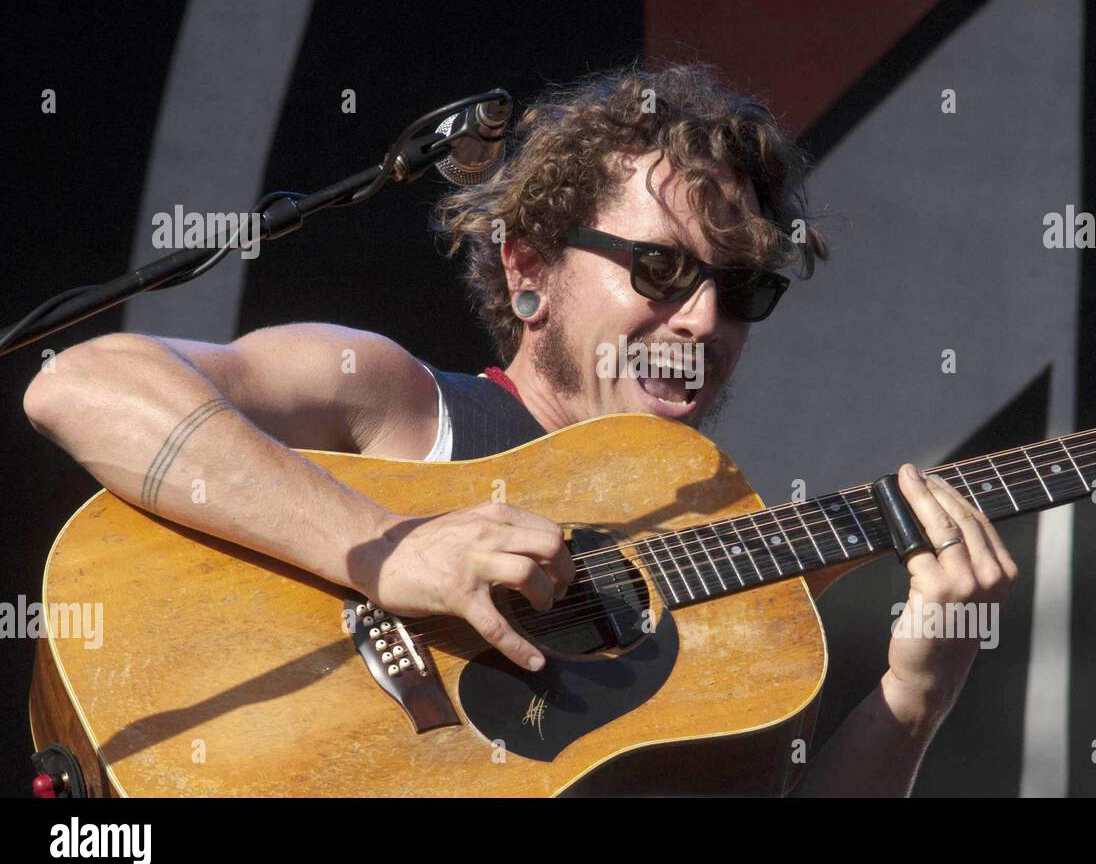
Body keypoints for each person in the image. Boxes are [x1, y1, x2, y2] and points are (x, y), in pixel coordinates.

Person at [23, 62, 1017, 796]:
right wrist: (389, 549)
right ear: (527, 266)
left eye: (740, 289)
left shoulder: (743, 591)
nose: (703, 321)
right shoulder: (400, 405)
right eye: (662, 271)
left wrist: (911, 697)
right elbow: (82, 383)